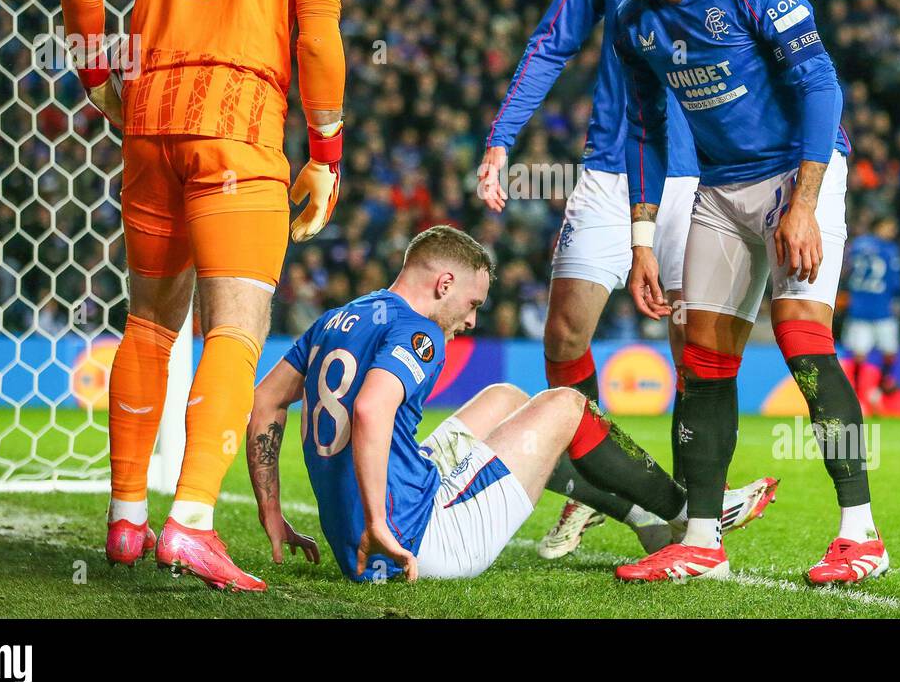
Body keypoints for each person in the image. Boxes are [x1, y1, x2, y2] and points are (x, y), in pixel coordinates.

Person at [478, 0, 900, 559]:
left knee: (796, 339)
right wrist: (513, 148)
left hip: (781, 172)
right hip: (686, 181)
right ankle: (689, 531)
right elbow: (610, 98)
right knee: (688, 354)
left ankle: (857, 531)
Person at [61, 0, 363, 591]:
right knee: (235, 325)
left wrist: (101, 80)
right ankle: (190, 521)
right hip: (237, 127)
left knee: (150, 322)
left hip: (150, 122)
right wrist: (326, 151)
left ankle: (127, 519)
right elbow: (318, 36)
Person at [592, 0, 883, 585]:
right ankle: (700, 541)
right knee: (702, 362)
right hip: (719, 191)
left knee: (803, 340)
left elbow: (821, 86)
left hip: (797, 173)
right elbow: (645, 132)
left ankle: (861, 537)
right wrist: (640, 241)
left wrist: (805, 204)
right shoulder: (633, 24)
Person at [246, 226, 774, 582]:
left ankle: (644, 517)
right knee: (566, 404)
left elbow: (266, 400)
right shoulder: (419, 333)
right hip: (415, 543)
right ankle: (690, 510)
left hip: (365, 541)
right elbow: (370, 411)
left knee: (506, 399)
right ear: (443, 283)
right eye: (472, 304)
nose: (472, 320)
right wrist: (382, 526)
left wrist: (271, 511)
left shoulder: (339, 319)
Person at [842, 215, 900, 403]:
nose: (892, 232)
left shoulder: (857, 245)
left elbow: (846, 271)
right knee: (886, 352)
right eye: (889, 226)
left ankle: (862, 393)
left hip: (859, 307)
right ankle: (875, 389)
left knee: (863, 354)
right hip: (881, 308)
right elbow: (895, 283)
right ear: (879, 226)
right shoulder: (890, 249)